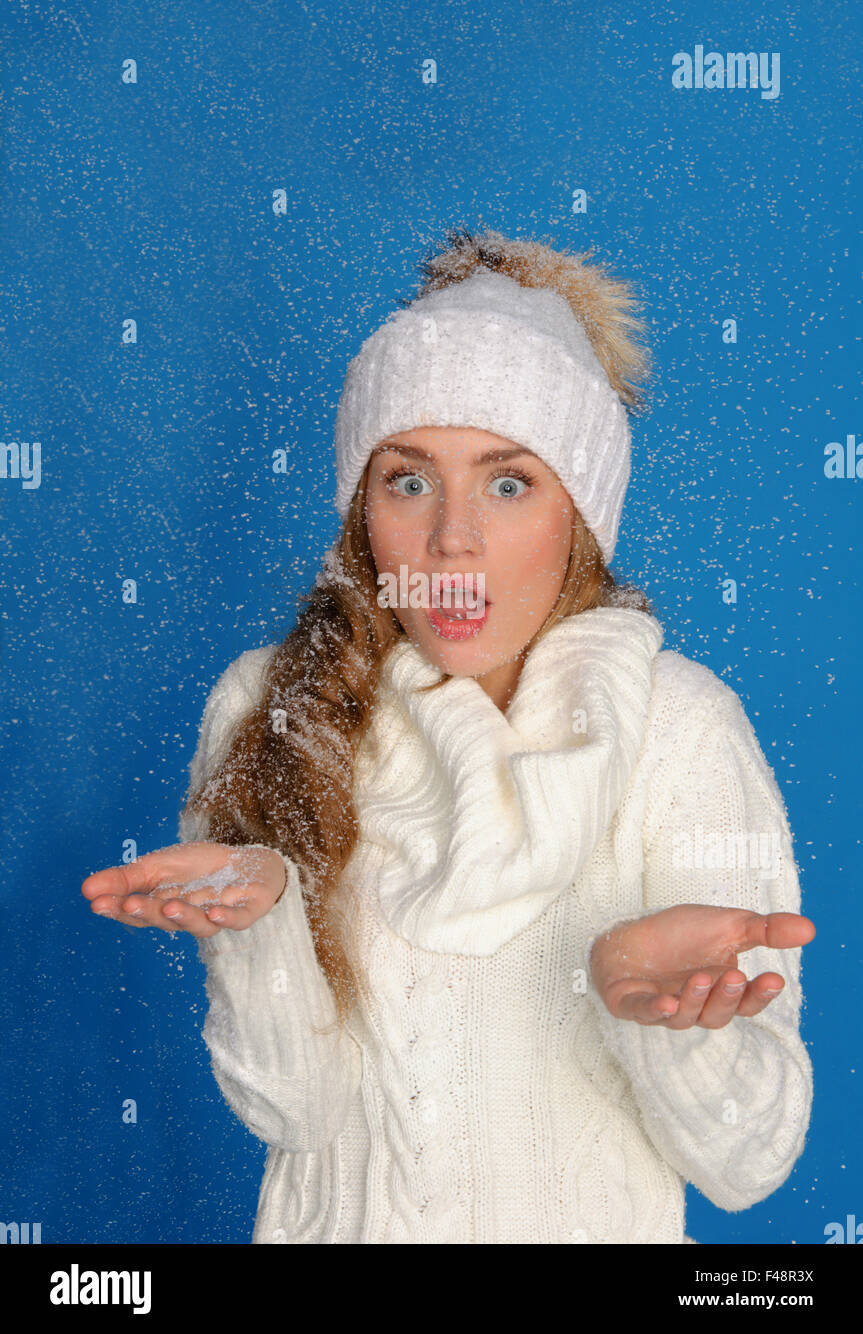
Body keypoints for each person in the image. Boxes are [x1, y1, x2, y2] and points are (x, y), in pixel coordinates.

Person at [81, 227, 815, 1245]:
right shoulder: (268, 706)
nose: (452, 537)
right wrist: (261, 930)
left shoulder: (678, 727)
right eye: (409, 479)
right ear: (360, 509)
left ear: (580, 514)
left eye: (507, 482)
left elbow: (748, 1161)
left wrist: (662, 1022)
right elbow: (291, 1111)